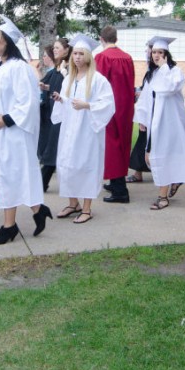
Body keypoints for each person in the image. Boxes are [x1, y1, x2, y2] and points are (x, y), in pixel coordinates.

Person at [0, 17, 52, 244]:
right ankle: (37, 210)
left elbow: (29, 101)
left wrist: (7, 119)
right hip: (0, 134)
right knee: (9, 176)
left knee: (11, 176)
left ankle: (9, 226)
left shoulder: (20, 68)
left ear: (8, 42)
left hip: (14, 133)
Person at [51, 34, 115, 224]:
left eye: (81, 53)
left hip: (87, 131)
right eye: (75, 54)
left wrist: (87, 105)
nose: (77, 57)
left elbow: (108, 104)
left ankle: (87, 208)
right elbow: (68, 102)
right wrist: (60, 99)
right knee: (67, 165)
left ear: (87, 55)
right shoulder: (69, 78)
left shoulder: (98, 79)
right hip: (70, 129)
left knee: (86, 166)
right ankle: (73, 203)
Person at [134, 36, 185, 210]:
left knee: (164, 155)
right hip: (154, 123)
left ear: (166, 54)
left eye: (160, 52)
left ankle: (162, 197)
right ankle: (174, 181)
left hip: (170, 123)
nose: (156, 55)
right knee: (155, 156)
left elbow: (171, 87)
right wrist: (142, 119)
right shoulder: (151, 74)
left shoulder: (174, 71)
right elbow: (146, 99)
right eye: (154, 52)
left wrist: (163, 67)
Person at [95, 26, 135, 204]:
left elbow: (98, 84)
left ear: (101, 39)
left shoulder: (102, 57)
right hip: (125, 107)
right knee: (122, 144)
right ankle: (114, 181)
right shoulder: (127, 57)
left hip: (109, 107)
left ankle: (120, 191)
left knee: (112, 147)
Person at [127, 41, 155, 184]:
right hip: (147, 114)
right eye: (149, 52)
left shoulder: (161, 72)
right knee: (142, 143)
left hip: (154, 116)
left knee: (147, 144)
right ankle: (138, 173)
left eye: (150, 51)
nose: (148, 54)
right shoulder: (150, 72)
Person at [37, 44, 63, 192]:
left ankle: (42, 181)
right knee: (51, 148)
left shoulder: (61, 72)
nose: (45, 57)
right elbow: (51, 87)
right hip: (50, 114)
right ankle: (42, 181)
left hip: (55, 114)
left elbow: (56, 90)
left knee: (52, 147)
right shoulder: (55, 72)